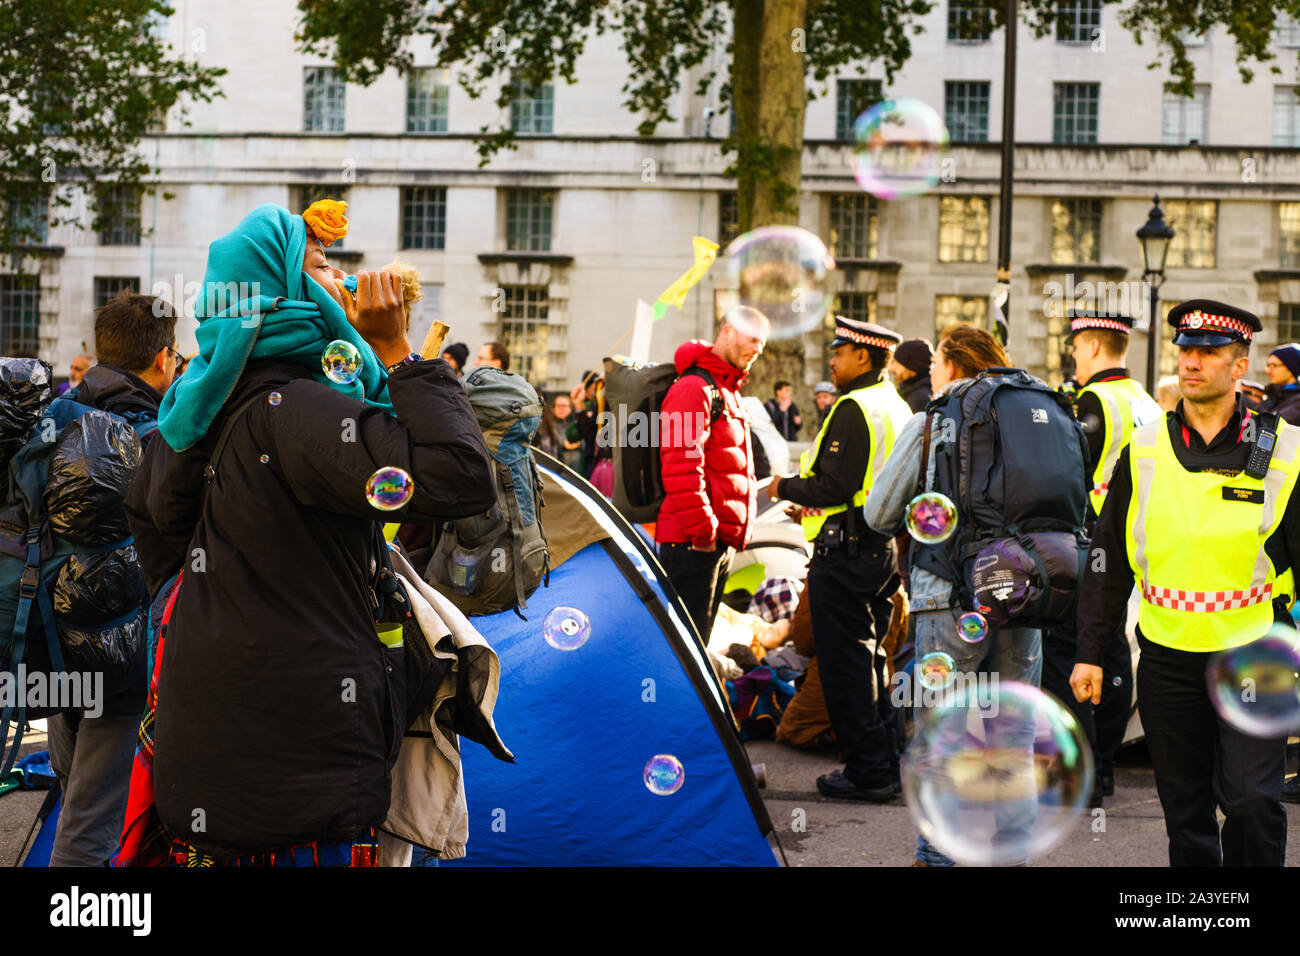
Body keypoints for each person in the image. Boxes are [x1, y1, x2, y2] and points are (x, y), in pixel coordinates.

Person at [123, 202, 495, 865]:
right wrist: (397, 353)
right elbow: (462, 478)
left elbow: (153, 528)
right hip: (297, 766)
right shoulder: (294, 409)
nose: (345, 278)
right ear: (282, 288)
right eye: (323, 264)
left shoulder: (198, 405)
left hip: (214, 729)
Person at [1071, 299, 1298, 867]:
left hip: (1255, 648)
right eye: (1185, 351)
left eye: (1209, 352)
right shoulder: (1144, 447)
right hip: (1168, 654)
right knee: (1185, 808)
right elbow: (1108, 559)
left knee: (1250, 800)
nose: (1192, 362)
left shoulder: (1287, 450)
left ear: (1239, 364)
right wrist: (1092, 652)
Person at [866, 323, 1048, 864]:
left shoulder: (930, 423)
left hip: (947, 597)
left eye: (938, 364)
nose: (933, 375)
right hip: (1020, 598)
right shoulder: (1035, 420)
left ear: (954, 365)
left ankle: (941, 857)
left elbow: (878, 515)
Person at [45, 293, 177, 866]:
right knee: (94, 818)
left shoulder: (57, 418)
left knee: (77, 792)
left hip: (52, 634)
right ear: (164, 358)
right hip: (119, 652)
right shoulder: (155, 436)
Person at [771, 316, 911, 801]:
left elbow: (836, 483)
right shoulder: (893, 404)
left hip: (845, 555)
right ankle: (884, 760)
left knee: (845, 665)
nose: (833, 359)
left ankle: (868, 773)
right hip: (878, 551)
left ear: (864, 357)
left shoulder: (854, 407)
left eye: (841, 351)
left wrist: (782, 486)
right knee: (873, 660)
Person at [1044, 311, 1162, 806]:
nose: (1074, 357)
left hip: (1090, 539)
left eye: (1076, 348)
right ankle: (1105, 769)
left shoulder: (1095, 399)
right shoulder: (1146, 400)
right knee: (1112, 656)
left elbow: (1065, 470)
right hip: (1131, 543)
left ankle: (1083, 773)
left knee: (1071, 655)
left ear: (1092, 348)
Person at [656, 308, 767, 641]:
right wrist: (704, 532)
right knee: (685, 655)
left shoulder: (726, 389)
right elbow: (681, 466)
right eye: (753, 338)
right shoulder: (694, 387)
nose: (758, 349)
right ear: (728, 332)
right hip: (693, 544)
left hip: (715, 543)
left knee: (698, 649)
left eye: (763, 343)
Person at [889, 338, 933, 413]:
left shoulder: (919, 399)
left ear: (913, 367)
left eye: (897, 363)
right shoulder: (910, 391)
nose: (891, 368)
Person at [1260, 343, 1300, 426]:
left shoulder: (1297, 401)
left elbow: (1270, 424)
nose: (1268, 371)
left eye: (1274, 365)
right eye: (1268, 365)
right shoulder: (1274, 394)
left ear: (1290, 369)